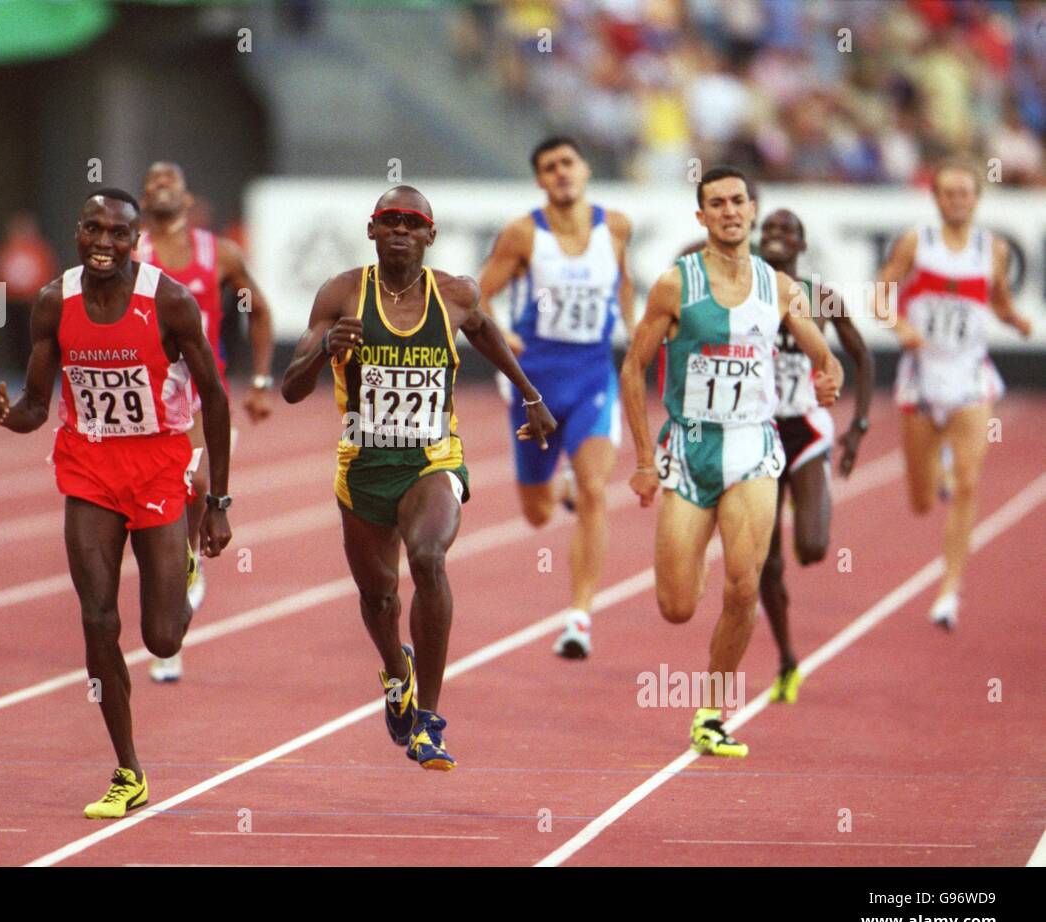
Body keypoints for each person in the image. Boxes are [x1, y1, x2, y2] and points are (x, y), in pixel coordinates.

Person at [0, 189, 232, 817]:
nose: (105, 244)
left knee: (163, 639)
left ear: (136, 240)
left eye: (119, 234)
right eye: (94, 230)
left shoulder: (167, 301)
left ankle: (187, 571)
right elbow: (38, 405)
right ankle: (128, 770)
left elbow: (215, 399)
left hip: (157, 467)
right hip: (88, 469)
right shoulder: (52, 302)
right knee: (98, 622)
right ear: (77, 233)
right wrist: (9, 417)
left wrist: (219, 498)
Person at [281, 185, 556, 771]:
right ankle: (395, 669)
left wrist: (529, 394)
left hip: (432, 458)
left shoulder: (455, 294)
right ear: (372, 230)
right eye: (390, 220)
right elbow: (292, 387)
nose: (401, 230)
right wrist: (326, 346)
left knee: (428, 558)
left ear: (431, 235)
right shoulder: (343, 293)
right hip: (364, 466)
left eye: (413, 222)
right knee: (379, 597)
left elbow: (482, 329)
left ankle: (428, 720)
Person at [620, 167, 843, 758]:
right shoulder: (675, 285)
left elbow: (822, 351)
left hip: (753, 449)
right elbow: (632, 367)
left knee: (744, 590)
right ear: (701, 217)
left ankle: (713, 713)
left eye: (738, 201)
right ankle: (693, 557)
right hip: (690, 451)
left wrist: (830, 377)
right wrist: (645, 460)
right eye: (715, 203)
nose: (729, 211)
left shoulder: (779, 287)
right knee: (677, 607)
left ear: (751, 210)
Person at [477, 136, 635, 659]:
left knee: (595, 491)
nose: (561, 172)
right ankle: (555, 488)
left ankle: (579, 618)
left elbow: (624, 281)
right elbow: (477, 298)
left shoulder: (615, 226)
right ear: (540, 181)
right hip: (533, 382)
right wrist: (503, 336)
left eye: (568, 162)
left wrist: (632, 327)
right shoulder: (523, 233)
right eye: (549, 167)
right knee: (538, 513)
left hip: (592, 374)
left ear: (585, 169)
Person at [874, 157, 1032, 629]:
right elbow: (880, 292)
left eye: (965, 193)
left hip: (969, 379)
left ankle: (948, 592)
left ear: (977, 200)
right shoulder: (915, 243)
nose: (957, 201)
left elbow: (999, 298)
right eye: (949, 193)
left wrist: (1015, 320)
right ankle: (934, 467)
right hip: (922, 377)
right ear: (937, 198)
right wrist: (900, 326)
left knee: (968, 485)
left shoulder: (993, 249)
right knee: (922, 501)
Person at [135, 161, 275, 683]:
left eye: (170, 178)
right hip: (144, 393)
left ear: (187, 196)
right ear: (145, 201)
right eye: (151, 182)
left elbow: (258, 310)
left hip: (199, 392)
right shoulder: (131, 254)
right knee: (149, 519)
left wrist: (260, 382)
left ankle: (186, 564)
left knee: (194, 483)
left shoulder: (220, 254)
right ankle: (167, 616)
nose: (162, 184)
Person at [756, 209, 874, 702]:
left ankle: (811, 508)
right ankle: (786, 656)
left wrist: (858, 426)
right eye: (770, 230)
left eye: (788, 231)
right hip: (757, 433)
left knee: (812, 549)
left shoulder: (822, 298)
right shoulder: (745, 291)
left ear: (803, 244)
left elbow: (862, 357)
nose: (777, 237)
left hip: (805, 429)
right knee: (767, 563)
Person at [0, 211, 59, 372]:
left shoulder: (39, 250)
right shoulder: (7, 250)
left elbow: (47, 272)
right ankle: (18, 368)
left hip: (33, 301)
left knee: (34, 337)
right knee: (14, 336)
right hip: (12, 301)